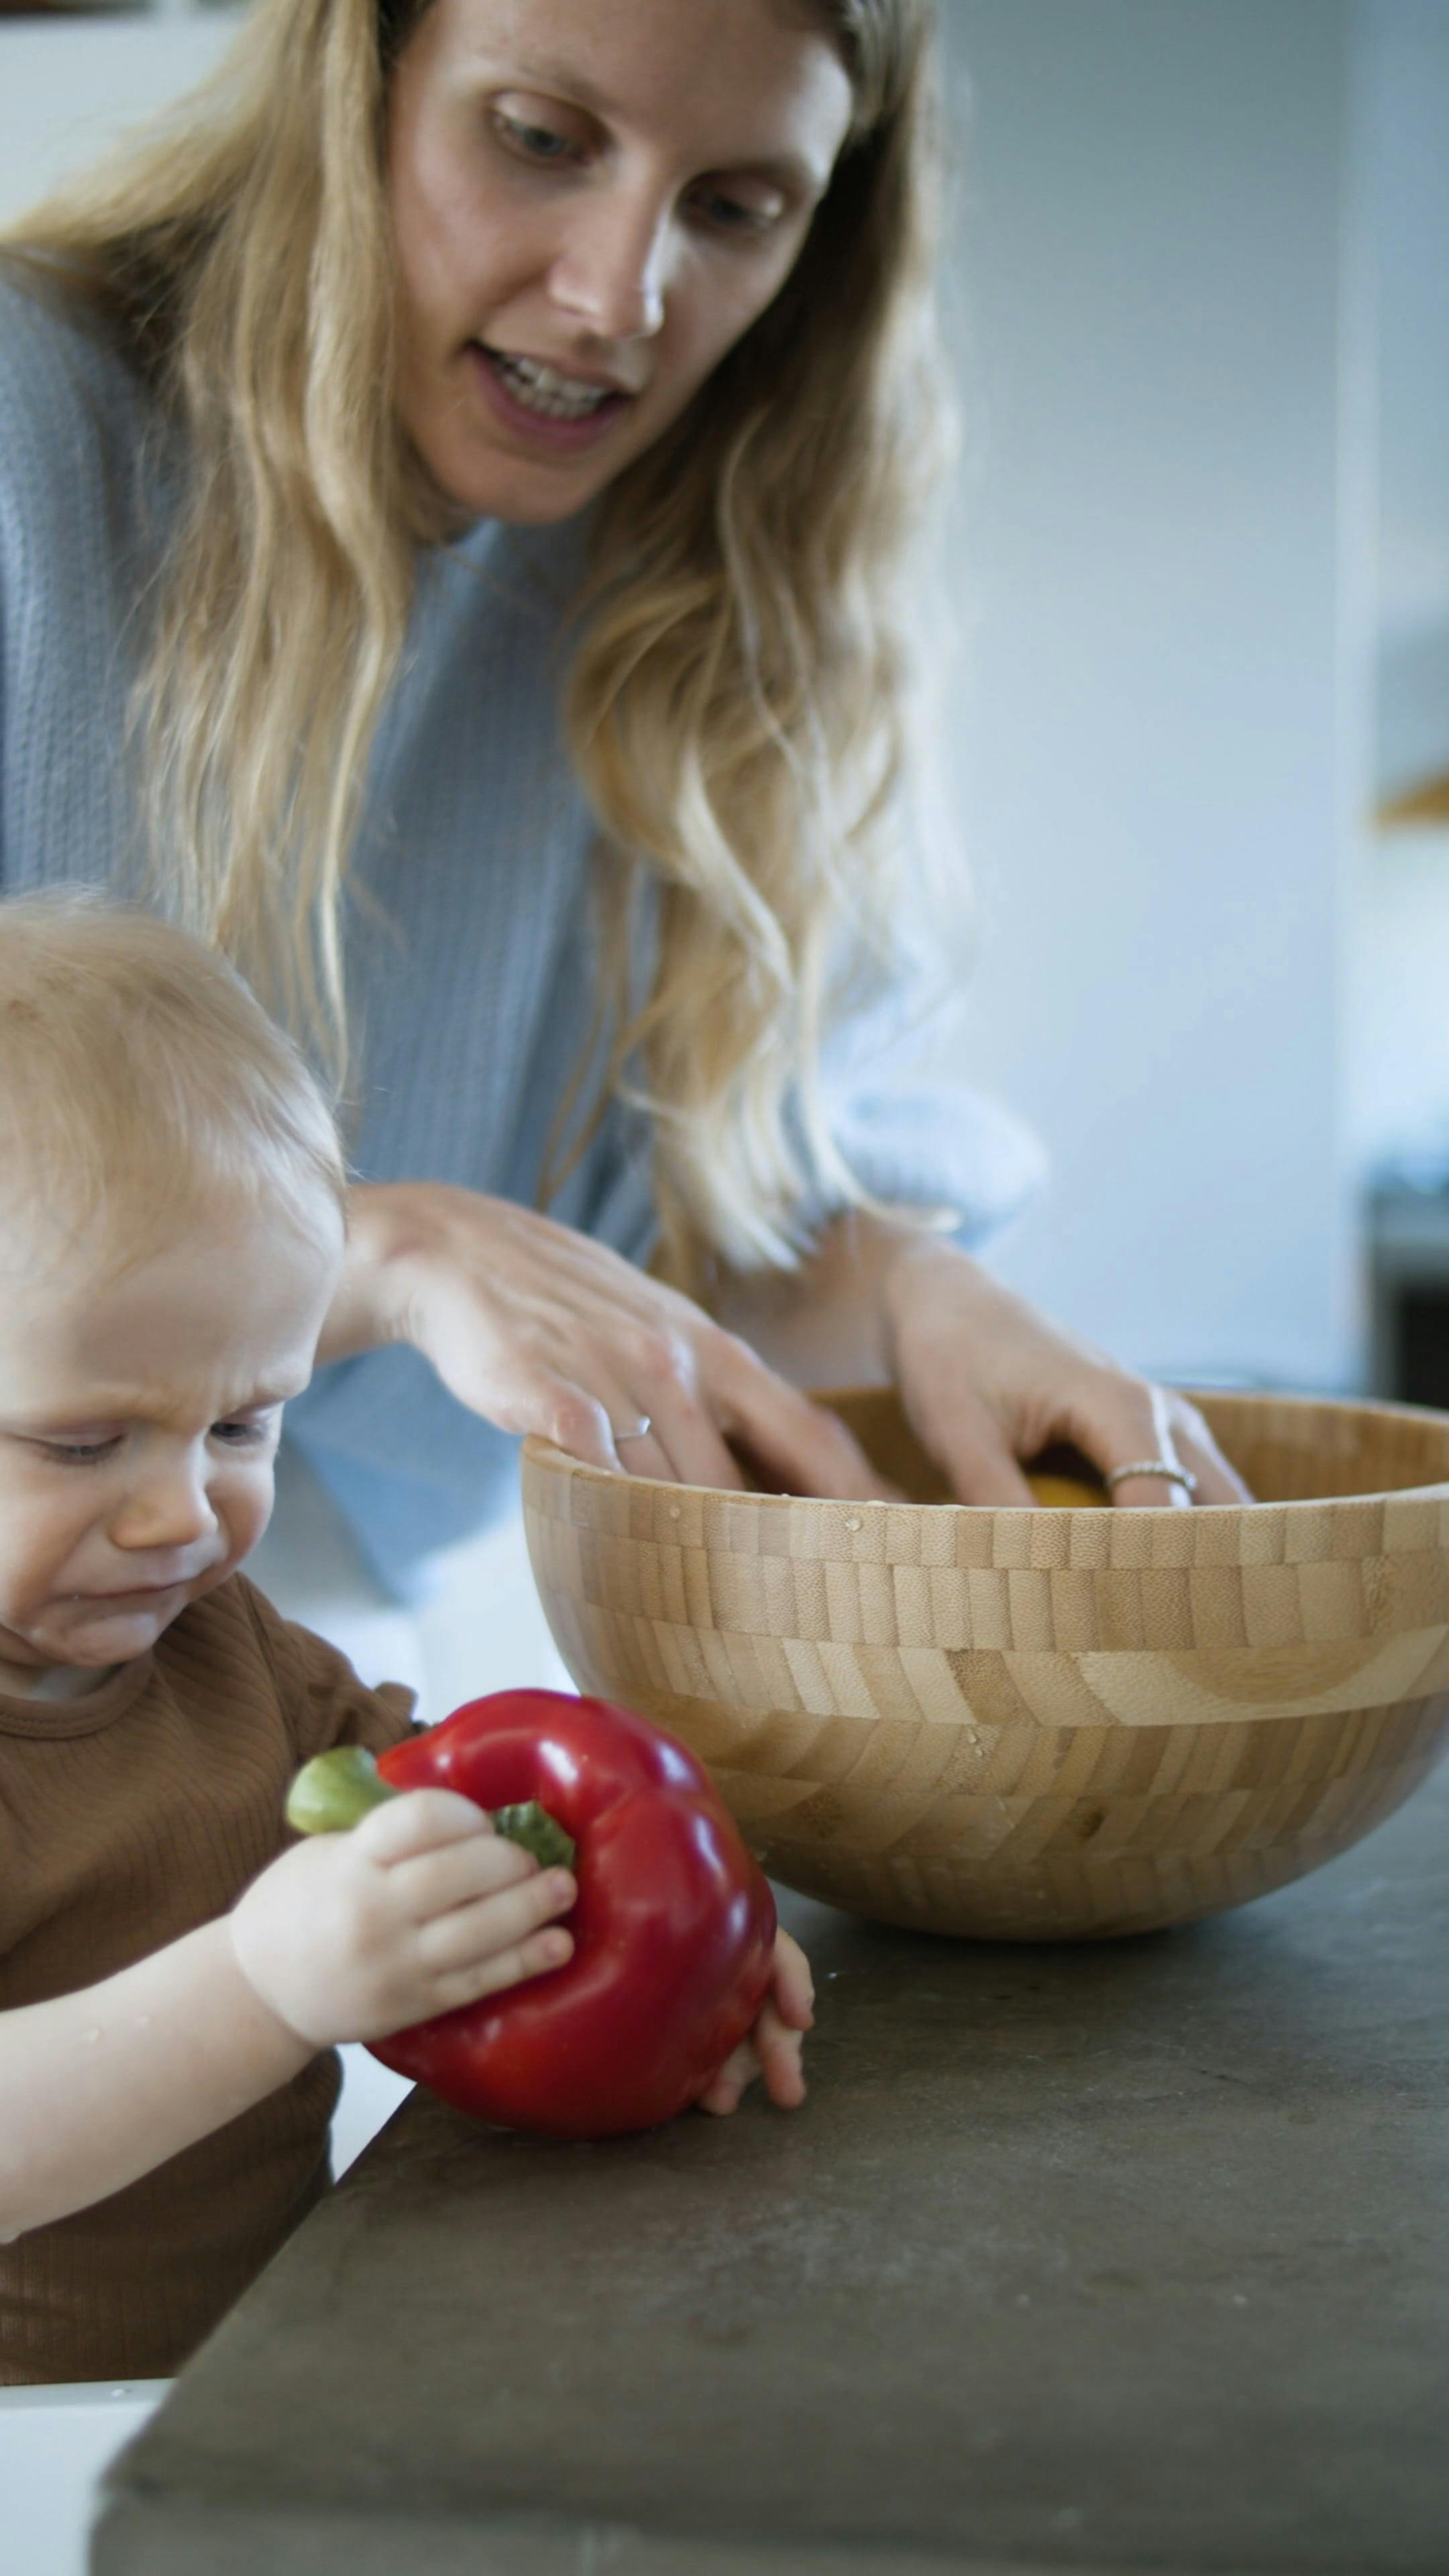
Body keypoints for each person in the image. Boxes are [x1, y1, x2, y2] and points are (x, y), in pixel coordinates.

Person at [0, 0, 1248, 1650]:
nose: (618, 299)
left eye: (733, 208)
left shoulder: (720, 584)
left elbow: (661, 1227)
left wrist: (905, 1290)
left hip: (277, 1622)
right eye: (539, 139)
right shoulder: (26, 430)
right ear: (357, 80)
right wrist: (358, 1248)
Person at [0, 893, 812, 2386]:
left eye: (242, 1423)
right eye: (82, 1442)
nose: (181, 1514)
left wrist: (693, 1958)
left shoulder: (224, 1649)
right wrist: (264, 1988)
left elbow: (474, 1836)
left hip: (250, 2395)